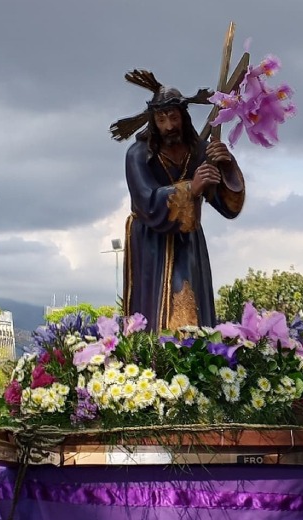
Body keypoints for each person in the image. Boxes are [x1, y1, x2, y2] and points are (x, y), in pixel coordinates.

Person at [111, 77, 245, 331]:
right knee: (155, 311)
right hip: (151, 241)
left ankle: (196, 355)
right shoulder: (138, 155)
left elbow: (228, 206)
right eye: (161, 120)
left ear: (183, 116)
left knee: (189, 298)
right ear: (153, 122)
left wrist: (226, 165)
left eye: (173, 117)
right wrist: (189, 189)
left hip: (188, 242)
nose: (169, 126)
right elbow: (145, 202)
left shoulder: (200, 151)